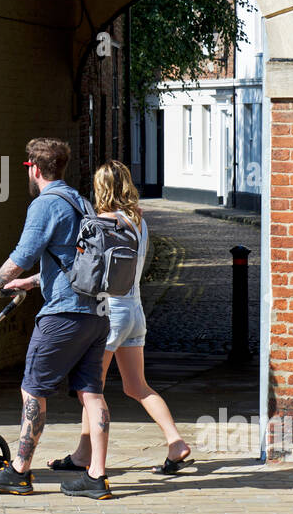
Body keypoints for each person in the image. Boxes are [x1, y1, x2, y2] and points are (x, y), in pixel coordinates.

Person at [0, 138, 115, 499]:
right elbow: (74, 262)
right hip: (97, 313)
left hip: (62, 316)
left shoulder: (45, 204)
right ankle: (96, 477)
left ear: (33, 169)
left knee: (32, 389)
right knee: (92, 394)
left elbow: (24, 253)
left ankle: (19, 471)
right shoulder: (81, 202)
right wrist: (33, 282)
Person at [48, 160, 194, 476]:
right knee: (137, 385)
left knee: (90, 388)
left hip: (109, 312)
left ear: (101, 188)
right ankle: (175, 441)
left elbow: (86, 270)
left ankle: (86, 460)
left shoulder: (102, 223)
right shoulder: (138, 221)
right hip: (134, 311)